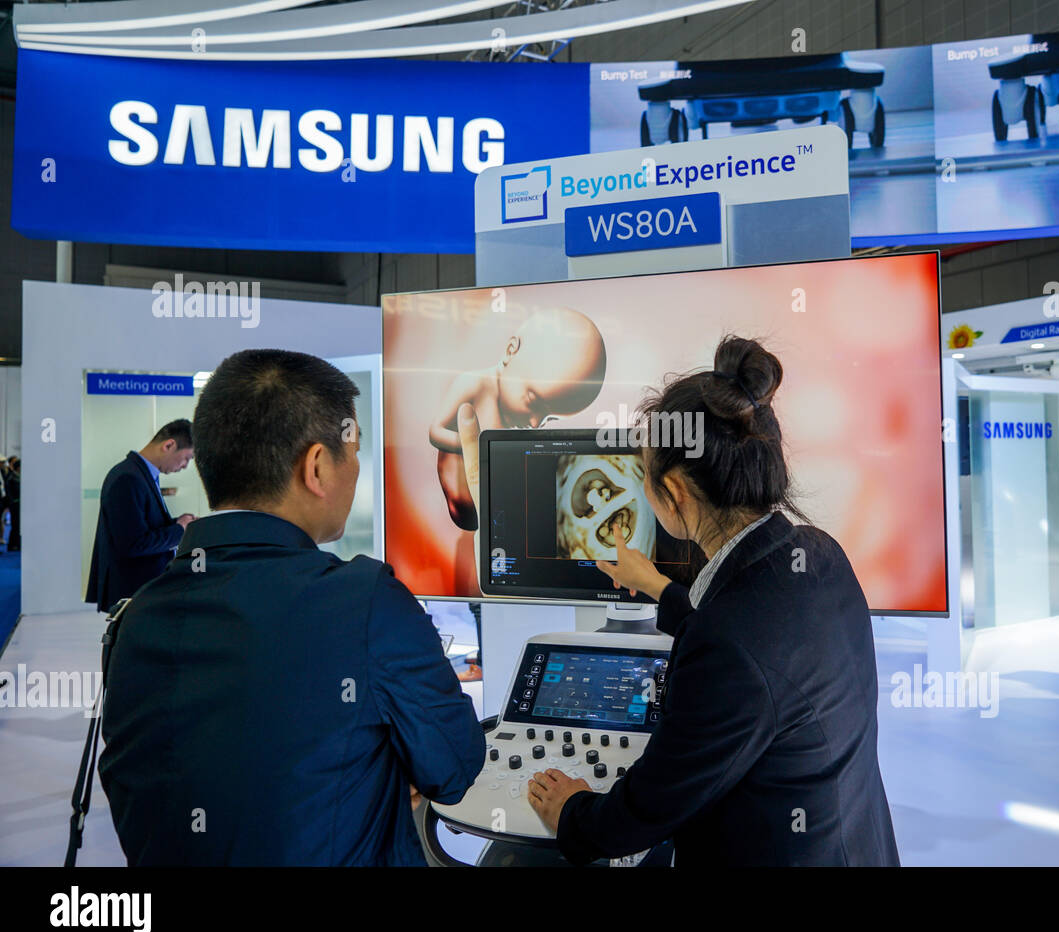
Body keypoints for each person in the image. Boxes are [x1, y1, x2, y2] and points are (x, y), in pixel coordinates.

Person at [507, 335, 900, 866]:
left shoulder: (726, 645)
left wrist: (573, 809)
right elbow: (760, 654)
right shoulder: (817, 554)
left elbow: (642, 813)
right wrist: (662, 590)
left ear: (674, 492)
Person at [98, 349, 485, 866]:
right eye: (354, 454)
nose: (357, 471)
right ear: (318, 466)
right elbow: (455, 766)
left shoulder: (137, 617)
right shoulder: (366, 602)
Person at [428, 307, 607, 531]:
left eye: (549, 418)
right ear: (510, 351)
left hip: (491, 506)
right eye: (533, 401)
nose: (535, 423)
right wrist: (476, 448)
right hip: (461, 492)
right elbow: (436, 431)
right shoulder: (474, 384)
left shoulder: (518, 416)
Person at [85, 426, 193, 611]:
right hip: (133, 591)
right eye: (186, 458)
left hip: (141, 591)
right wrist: (179, 530)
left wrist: (178, 523)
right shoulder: (128, 478)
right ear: (169, 445)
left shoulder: (140, 474)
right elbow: (133, 543)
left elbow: (142, 525)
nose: (185, 466)